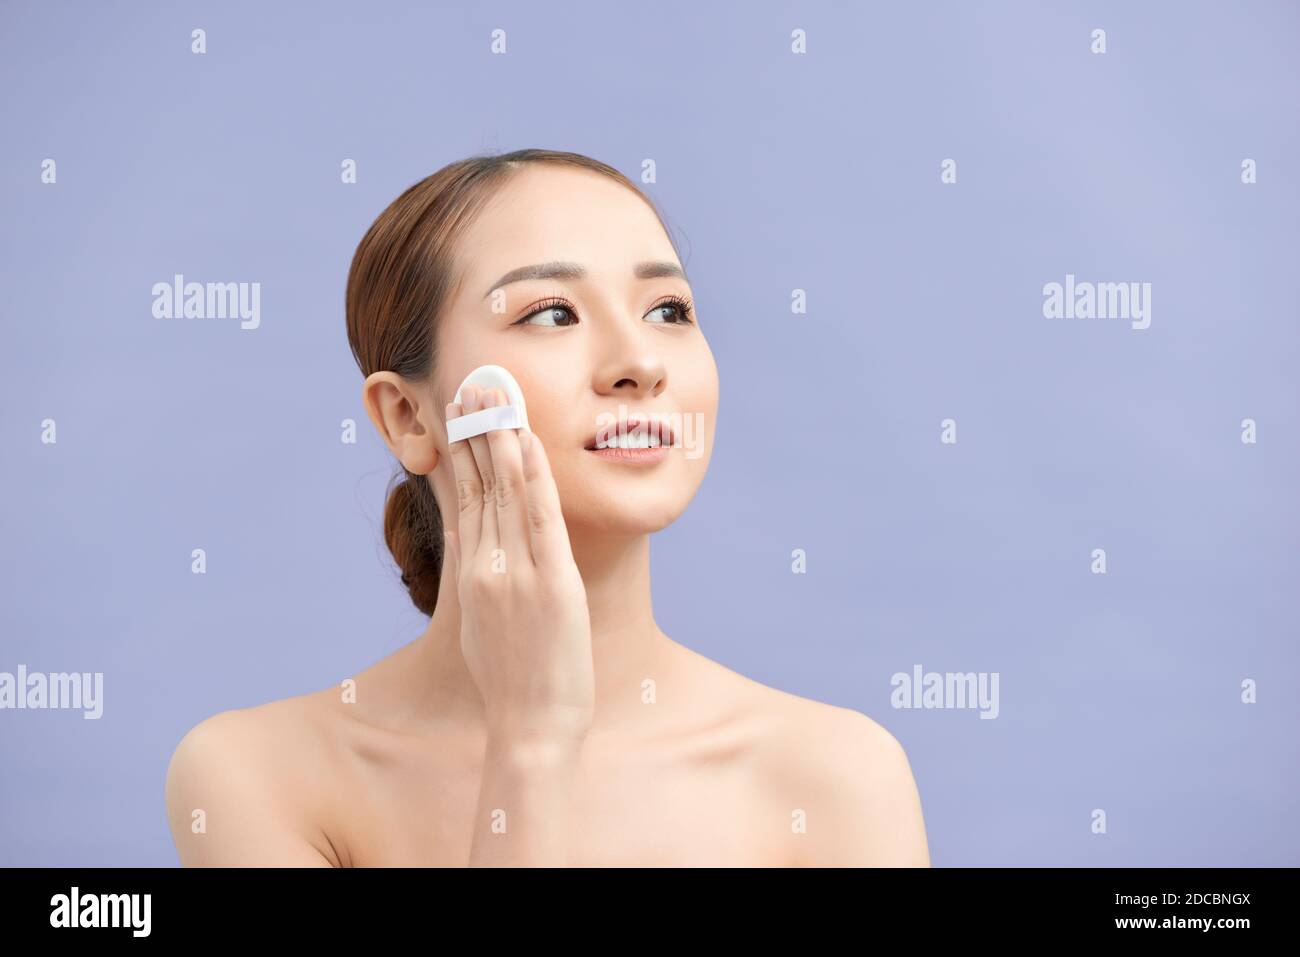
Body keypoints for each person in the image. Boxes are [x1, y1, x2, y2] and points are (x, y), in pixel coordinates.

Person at [164, 148, 930, 867]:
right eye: (554, 314)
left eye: (668, 310)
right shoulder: (259, 773)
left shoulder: (837, 777)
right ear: (407, 417)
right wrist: (531, 744)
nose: (639, 364)